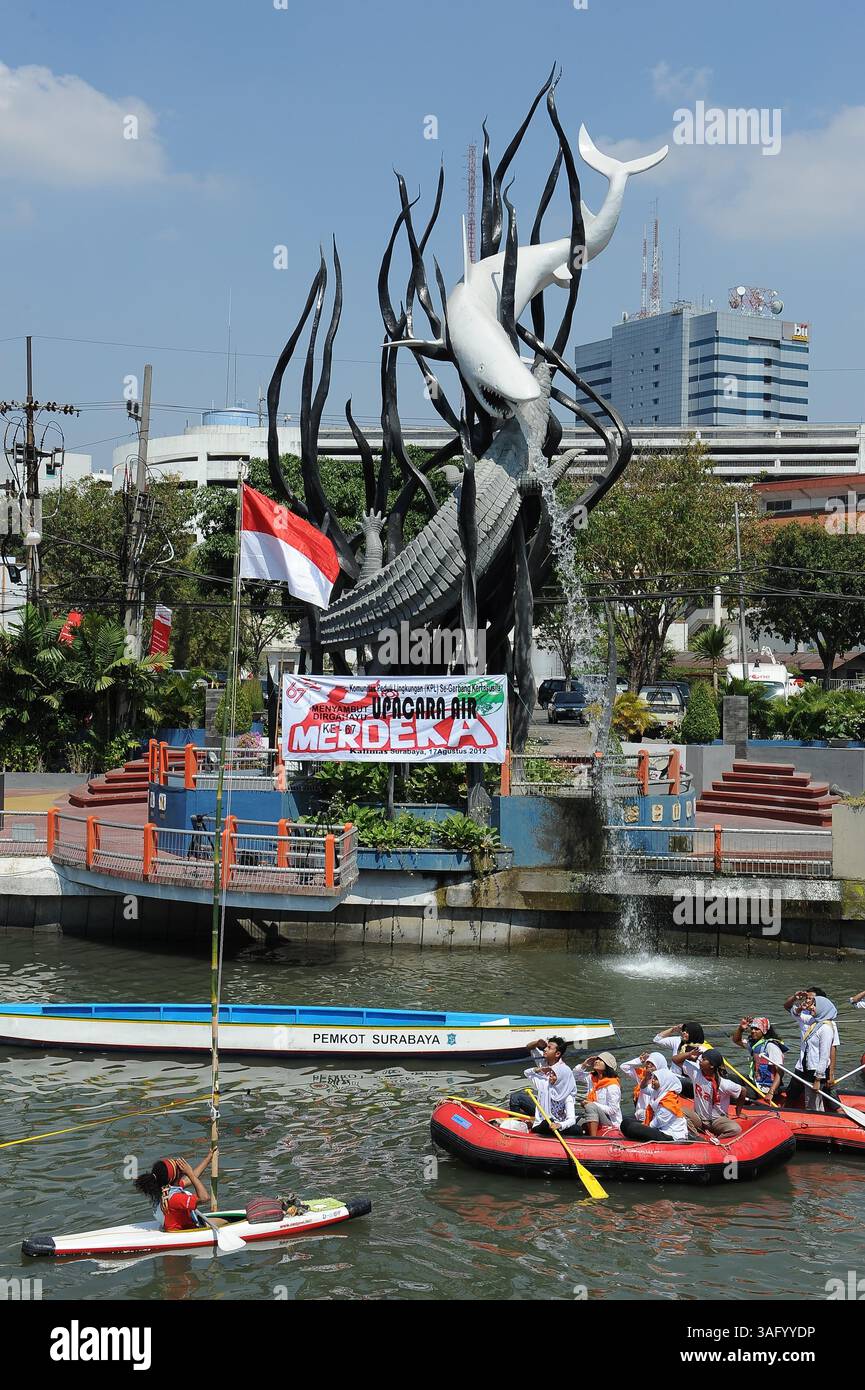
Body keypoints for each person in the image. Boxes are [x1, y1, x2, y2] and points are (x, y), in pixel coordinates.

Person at [508, 1036, 579, 1136]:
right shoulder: (544, 1064)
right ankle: (514, 1126)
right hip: (541, 1113)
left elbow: (571, 1119)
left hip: (554, 1120)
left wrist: (560, 1125)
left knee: (572, 1128)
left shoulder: (565, 1082)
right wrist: (537, 1044)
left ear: (557, 1054)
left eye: (549, 1048)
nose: (545, 1049)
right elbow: (529, 1049)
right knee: (516, 1097)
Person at [133, 1154, 220, 1231]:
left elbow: (190, 1179)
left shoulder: (162, 1188)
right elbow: (205, 1198)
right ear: (174, 1178)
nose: (182, 1170)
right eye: (179, 1169)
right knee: (226, 1221)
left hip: (173, 1227)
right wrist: (190, 1173)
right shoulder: (175, 1198)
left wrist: (208, 1159)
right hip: (186, 1231)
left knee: (221, 1219)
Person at [782, 991, 836, 1110]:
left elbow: (824, 1056)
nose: (811, 1006)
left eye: (814, 1005)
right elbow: (796, 1014)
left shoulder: (826, 1028)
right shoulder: (814, 1021)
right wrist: (799, 1007)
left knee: (813, 1105)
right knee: (810, 1102)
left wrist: (818, 1079)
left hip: (816, 1072)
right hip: (806, 1066)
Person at [619, 1051, 688, 1143]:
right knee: (626, 1123)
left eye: (656, 1079)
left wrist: (641, 1128)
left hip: (669, 1134)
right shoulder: (658, 1092)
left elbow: (655, 1124)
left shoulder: (668, 1102)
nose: (653, 1081)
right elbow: (643, 1088)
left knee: (632, 1128)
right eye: (654, 1078)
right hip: (655, 1124)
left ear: (664, 1082)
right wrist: (647, 1077)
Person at [675, 1046, 744, 1138]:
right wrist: (689, 1054)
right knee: (678, 1110)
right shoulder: (696, 1072)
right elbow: (675, 1060)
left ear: (711, 1065)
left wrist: (738, 1111)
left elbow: (743, 1090)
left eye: (704, 1059)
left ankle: (717, 1139)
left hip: (717, 1120)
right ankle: (697, 1137)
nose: (700, 1060)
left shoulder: (725, 1084)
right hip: (699, 1118)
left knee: (735, 1129)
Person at [730, 1017, 786, 1104]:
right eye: (752, 1028)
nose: (753, 1031)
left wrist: (771, 1092)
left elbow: (780, 1072)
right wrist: (741, 1029)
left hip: (764, 1088)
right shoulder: (754, 1044)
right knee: (729, 1078)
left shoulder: (771, 1047)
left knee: (734, 1092)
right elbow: (736, 1040)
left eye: (756, 1029)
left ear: (764, 1031)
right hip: (754, 1081)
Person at [571, 1052, 622, 1135]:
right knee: (574, 1120)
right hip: (595, 1117)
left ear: (607, 1066)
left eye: (601, 1060)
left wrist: (593, 1104)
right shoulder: (592, 1078)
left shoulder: (612, 1085)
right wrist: (584, 1065)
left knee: (590, 1106)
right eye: (597, 1059)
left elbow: (613, 1110)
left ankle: (593, 1138)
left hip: (610, 1122)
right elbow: (574, 1075)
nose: (596, 1061)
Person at [652, 1022, 707, 1095]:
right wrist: (673, 1029)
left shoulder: (702, 1050)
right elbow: (656, 1040)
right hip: (673, 1076)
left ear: (694, 1034)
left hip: (689, 1082)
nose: (684, 1033)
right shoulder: (677, 1041)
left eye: (687, 1032)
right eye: (684, 1031)